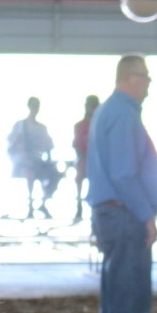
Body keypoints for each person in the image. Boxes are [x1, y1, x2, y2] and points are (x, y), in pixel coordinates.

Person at [85, 56, 157, 313]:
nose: (148, 85)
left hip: (111, 213)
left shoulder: (108, 111)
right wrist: (146, 215)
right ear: (130, 78)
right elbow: (124, 173)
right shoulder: (123, 114)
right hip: (125, 215)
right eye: (146, 78)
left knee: (115, 292)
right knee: (129, 294)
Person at [6, 96, 60, 219]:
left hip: (38, 160)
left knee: (56, 174)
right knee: (30, 172)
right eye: (34, 105)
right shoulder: (20, 125)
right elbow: (10, 146)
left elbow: (48, 147)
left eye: (37, 106)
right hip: (24, 161)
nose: (36, 108)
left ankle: (43, 202)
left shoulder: (41, 128)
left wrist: (49, 162)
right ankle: (30, 206)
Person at [71, 94, 100, 224]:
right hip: (84, 158)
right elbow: (77, 145)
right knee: (80, 173)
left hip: (97, 160)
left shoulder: (100, 124)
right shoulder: (80, 125)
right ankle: (79, 205)